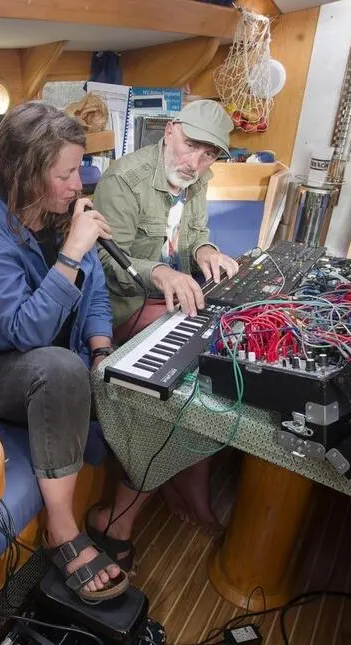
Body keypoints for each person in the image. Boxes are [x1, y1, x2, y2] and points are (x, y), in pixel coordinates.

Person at [0, 101, 151, 602]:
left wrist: (103, 351)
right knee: (61, 366)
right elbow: (26, 333)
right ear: (26, 174)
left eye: (78, 171)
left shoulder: (58, 213)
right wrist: (72, 253)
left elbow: (95, 293)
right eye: (64, 175)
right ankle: (62, 531)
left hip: (64, 359)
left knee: (133, 382)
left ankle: (116, 520)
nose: (77, 186)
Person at [93, 99, 241, 531]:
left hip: (173, 301)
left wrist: (207, 251)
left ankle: (184, 485)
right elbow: (103, 262)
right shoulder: (123, 180)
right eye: (191, 145)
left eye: (209, 153)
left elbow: (196, 234)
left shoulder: (198, 178)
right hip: (125, 306)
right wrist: (158, 272)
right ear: (171, 129)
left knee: (220, 364)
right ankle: (171, 489)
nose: (195, 163)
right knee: (192, 374)